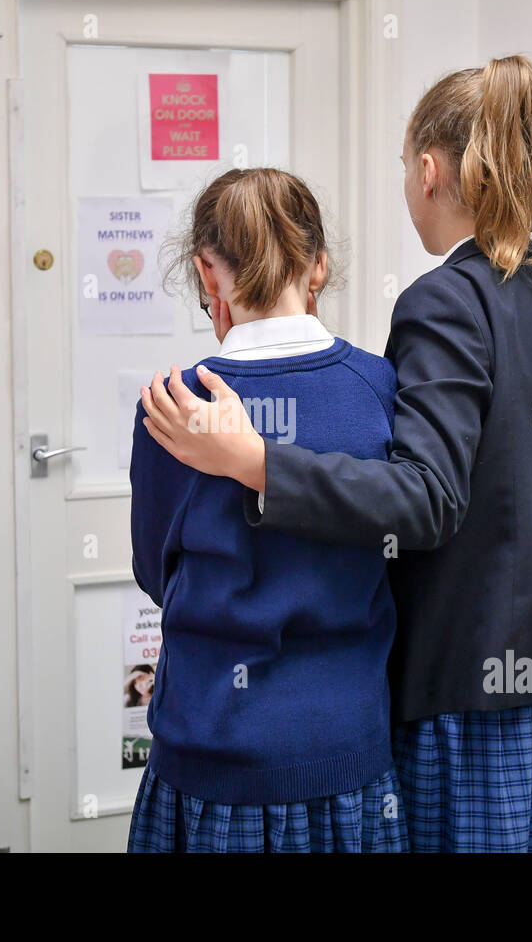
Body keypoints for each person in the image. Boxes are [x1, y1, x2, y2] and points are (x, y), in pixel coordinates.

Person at [140, 56, 532, 852]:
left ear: (431, 169)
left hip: (467, 688)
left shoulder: (443, 300)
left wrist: (256, 461)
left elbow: (425, 499)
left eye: (406, 166)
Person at [127, 167, 407, 853]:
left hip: (211, 744)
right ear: (319, 265)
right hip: (346, 743)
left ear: (206, 272)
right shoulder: (376, 385)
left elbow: (155, 572)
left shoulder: (173, 405)